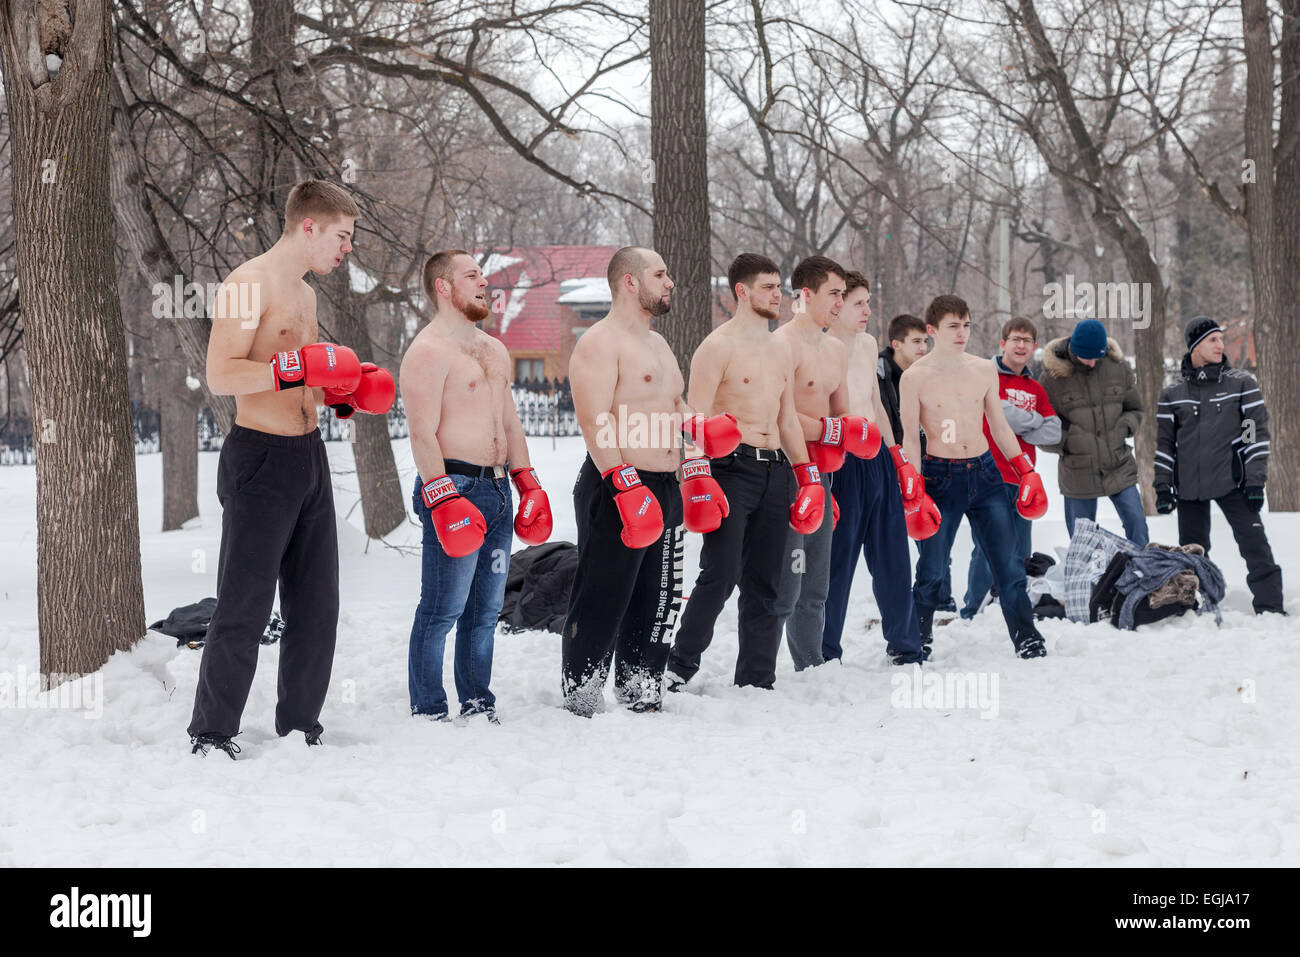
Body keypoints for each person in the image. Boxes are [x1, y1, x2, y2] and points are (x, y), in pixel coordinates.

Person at [190, 180, 395, 758]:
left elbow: (307, 371)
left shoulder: (304, 296)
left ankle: (300, 722)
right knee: (245, 603)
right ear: (310, 227)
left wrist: (341, 392)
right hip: (259, 456)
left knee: (317, 601)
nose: (346, 248)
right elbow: (222, 375)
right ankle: (212, 732)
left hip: (309, 456)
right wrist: (293, 367)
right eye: (342, 236)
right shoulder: (247, 283)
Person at [562, 246, 741, 716]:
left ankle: (641, 685)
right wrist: (623, 483)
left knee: (660, 596)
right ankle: (581, 693)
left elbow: (672, 404)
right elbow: (593, 418)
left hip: (665, 485)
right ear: (629, 282)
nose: (670, 282)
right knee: (605, 592)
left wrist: (697, 428)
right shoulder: (599, 342)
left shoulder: (659, 344)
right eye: (660, 274)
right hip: (616, 482)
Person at [401, 249, 553, 724]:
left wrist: (527, 480)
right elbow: (421, 432)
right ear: (444, 287)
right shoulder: (427, 351)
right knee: (442, 607)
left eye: (483, 275)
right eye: (472, 276)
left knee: (486, 609)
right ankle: (428, 708)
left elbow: (507, 418)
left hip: (498, 489)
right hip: (454, 485)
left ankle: (477, 701)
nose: (484, 283)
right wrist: (441, 494)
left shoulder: (493, 349)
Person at [664, 254, 825, 691]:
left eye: (779, 287)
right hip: (730, 470)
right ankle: (679, 666)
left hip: (776, 472)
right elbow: (691, 418)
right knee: (720, 574)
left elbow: (788, 419)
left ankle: (756, 678)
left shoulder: (781, 349)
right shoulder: (716, 347)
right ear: (742, 291)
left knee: (767, 583)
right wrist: (696, 477)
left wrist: (807, 474)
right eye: (769, 287)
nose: (779, 295)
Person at [901, 294, 1050, 659]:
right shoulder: (914, 377)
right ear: (932, 330)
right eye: (953, 326)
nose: (962, 333)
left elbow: (999, 427)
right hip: (939, 476)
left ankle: (1027, 638)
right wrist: (914, 489)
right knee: (932, 568)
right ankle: (917, 641)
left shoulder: (983, 369)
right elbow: (910, 437)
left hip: (985, 474)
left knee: (1009, 564)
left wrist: (1025, 470)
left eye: (966, 325)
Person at [773, 256, 881, 671]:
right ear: (806, 295)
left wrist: (844, 438)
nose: (840, 302)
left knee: (817, 583)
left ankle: (811, 665)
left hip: (824, 475)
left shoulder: (836, 349)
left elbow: (841, 419)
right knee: (787, 582)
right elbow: (780, 418)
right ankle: (759, 668)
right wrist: (833, 433)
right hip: (786, 473)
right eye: (834, 294)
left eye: (842, 294)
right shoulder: (781, 344)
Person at [823, 272, 927, 664]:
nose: (868, 311)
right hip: (841, 459)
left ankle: (905, 645)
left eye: (868, 302)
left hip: (878, 458)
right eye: (858, 303)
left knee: (894, 558)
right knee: (838, 561)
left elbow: (877, 404)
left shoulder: (867, 345)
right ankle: (825, 650)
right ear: (836, 304)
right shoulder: (822, 345)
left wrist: (897, 455)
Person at [1154, 316, 1283, 614]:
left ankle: (1271, 608)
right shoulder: (1172, 394)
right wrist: (1162, 486)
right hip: (1189, 487)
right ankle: (1197, 608)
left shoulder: (1242, 384)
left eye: (1221, 339)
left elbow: (1254, 434)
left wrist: (1255, 480)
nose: (1220, 344)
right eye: (1213, 339)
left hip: (1234, 483)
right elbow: (1164, 445)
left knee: (1255, 546)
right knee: (1193, 554)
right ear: (1195, 346)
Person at [961, 317, 1061, 619]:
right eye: (1015, 339)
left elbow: (1054, 432)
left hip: (1023, 478)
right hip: (987, 474)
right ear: (1003, 344)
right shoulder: (986, 375)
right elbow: (1000, 417)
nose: (1021, 345)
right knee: (985, 548)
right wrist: (1031, 421)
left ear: (1034, 347)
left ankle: (1014, 607)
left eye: (1027, 341)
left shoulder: (1035, 387)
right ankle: (972, 610)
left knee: (1020, 548)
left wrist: (1017, 422)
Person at [1039, 318, 1149, 546]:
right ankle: (1087, 581)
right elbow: (1042, 428)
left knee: (1138, 525)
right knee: (1082, 541)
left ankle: (1142, 576)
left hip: (1118, 464)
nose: (1091, 363)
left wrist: (1123, 428)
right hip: (1078, 472)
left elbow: (1135, 409)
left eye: (1096, 357)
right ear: (1074, 350)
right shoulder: (1052, 379)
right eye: (1086, 357)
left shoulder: (1118, 368)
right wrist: (1069, 443)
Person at [877, 313, 928, 445]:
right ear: (896, 344)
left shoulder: (924, 373)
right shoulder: (879, 374)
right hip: (891, 454)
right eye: (917, 341)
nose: (923, 348)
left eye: (925, 341)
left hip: (922, 455)